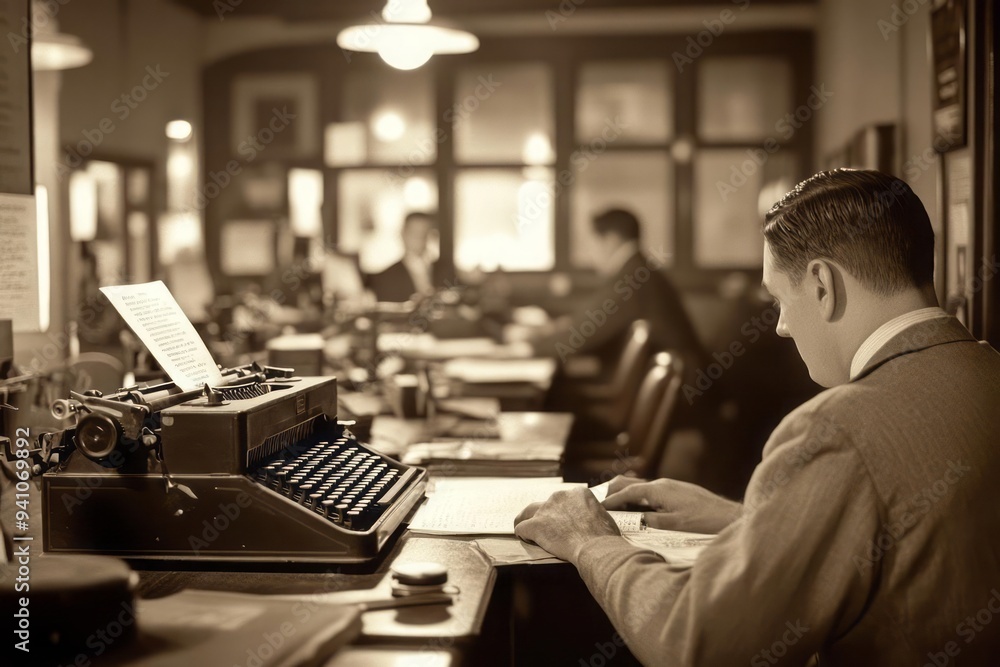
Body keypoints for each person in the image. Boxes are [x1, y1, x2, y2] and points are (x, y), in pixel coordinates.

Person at [514, 169, 1000, 665]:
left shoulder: (836, 428)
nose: (783, 327)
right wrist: (750, 520)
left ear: (821, 283)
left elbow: (699, 644)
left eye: (779, 301)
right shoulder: (988, 372)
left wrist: (590, 542)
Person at [367, 211, 436, 302]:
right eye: (414, 232)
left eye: (423, 233)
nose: (419, 238)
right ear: (403, 234)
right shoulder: (385, 278)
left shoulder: (446, 270)